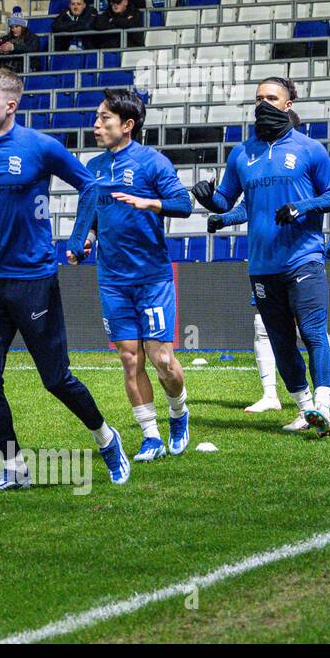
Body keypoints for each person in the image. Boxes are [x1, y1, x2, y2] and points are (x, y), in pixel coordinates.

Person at [0, 68, 130, 491]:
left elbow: (91, 187)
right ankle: (13, 467)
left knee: (55, 379)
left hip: (34, 280)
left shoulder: (41, 147)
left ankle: (105, 436)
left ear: (11, 106)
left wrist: (80, 237)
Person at [192, 76, 330, 436]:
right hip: (262, 266)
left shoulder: (310, 149)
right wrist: (207, 198)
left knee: (312, 333)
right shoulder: (241, 153)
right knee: (280, 342)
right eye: (259, 97)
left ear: (288, 104)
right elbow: (227, 202)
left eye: (271, 97)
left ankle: (324, 405)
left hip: (304, 259)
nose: (263, 103)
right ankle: (306, 410)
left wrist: (301, 207)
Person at [65, 90, 194, 461]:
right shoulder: (92, 168)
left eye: (104, 118)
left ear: (127, 124)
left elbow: (183, 205)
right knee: (129, 358)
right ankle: (150, 436)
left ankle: (178, 412)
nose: (96, 125)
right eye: (96, 118)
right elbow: (90, 217)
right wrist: (84, 243)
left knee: (163, 361)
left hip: (152, 277)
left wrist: (148, 202)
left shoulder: (153, 163)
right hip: (112, 278)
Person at [0, 7, 41, 73]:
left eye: (17, 26)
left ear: (23, 27)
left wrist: (13, 47)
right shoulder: (7, 38)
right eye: (12, 27)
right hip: (8, 71)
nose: (14, 29)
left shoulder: (32, 37)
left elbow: (31, 49)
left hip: (27, 69)